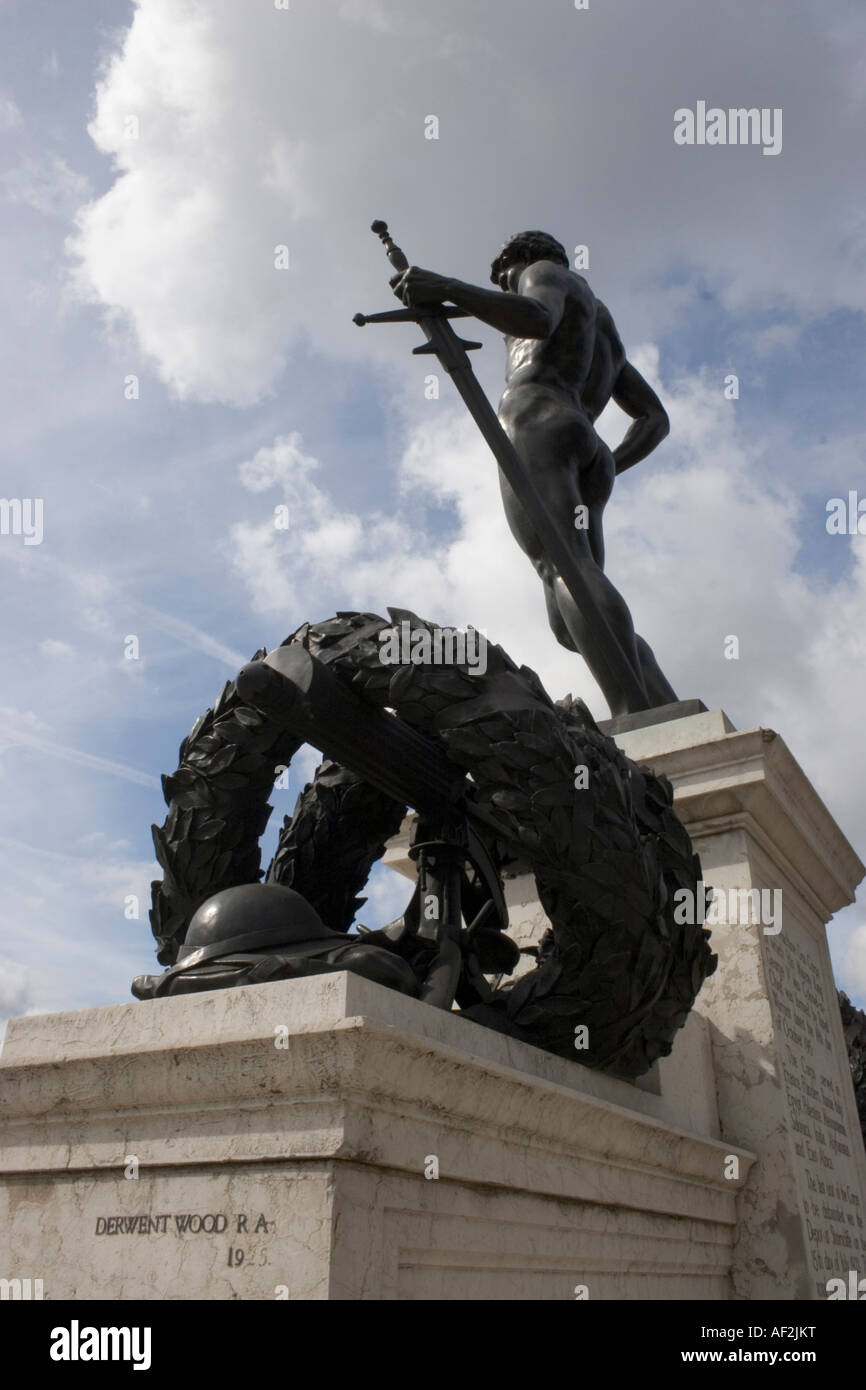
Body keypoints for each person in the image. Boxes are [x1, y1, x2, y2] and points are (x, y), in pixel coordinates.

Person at [393, 231, 677, 717]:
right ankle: (664, 705)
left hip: (535, 417)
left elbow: (537, 318)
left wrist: (448, 287)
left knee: (564, 565)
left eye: (504, 280)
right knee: (570, 617)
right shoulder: (601, 324)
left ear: (519, 260)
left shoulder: (541, 273)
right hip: (583, 441)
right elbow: (654, 418)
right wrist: (609, 465)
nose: (508, 291)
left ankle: (633, 713)